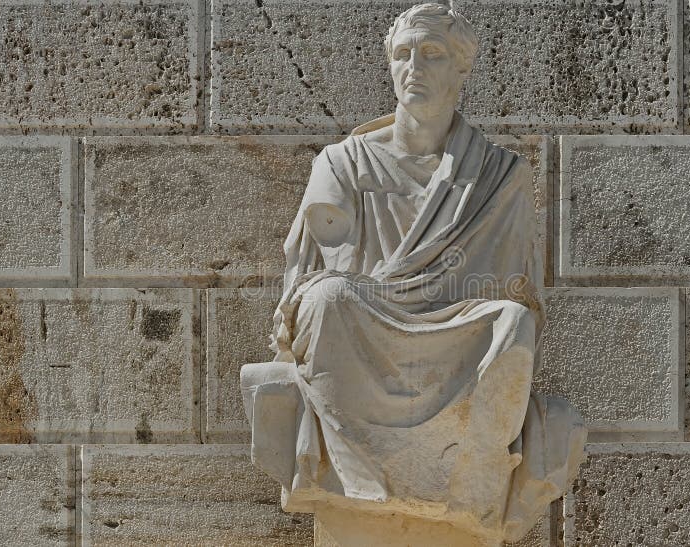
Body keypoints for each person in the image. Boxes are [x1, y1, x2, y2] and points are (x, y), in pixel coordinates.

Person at [241, 2, 586, 542]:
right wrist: (365, 297)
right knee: (330, 299)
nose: (414, 68)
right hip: (362, 316)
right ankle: (360, 478)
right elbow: (310, 276)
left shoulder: (500, 176)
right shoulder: (344, 163)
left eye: (432, 54)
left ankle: (472, 482)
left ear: (461, 68)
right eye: (403, 54)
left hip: (454, 324)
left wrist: (445, 308)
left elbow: (511, 288)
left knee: (513, 322)